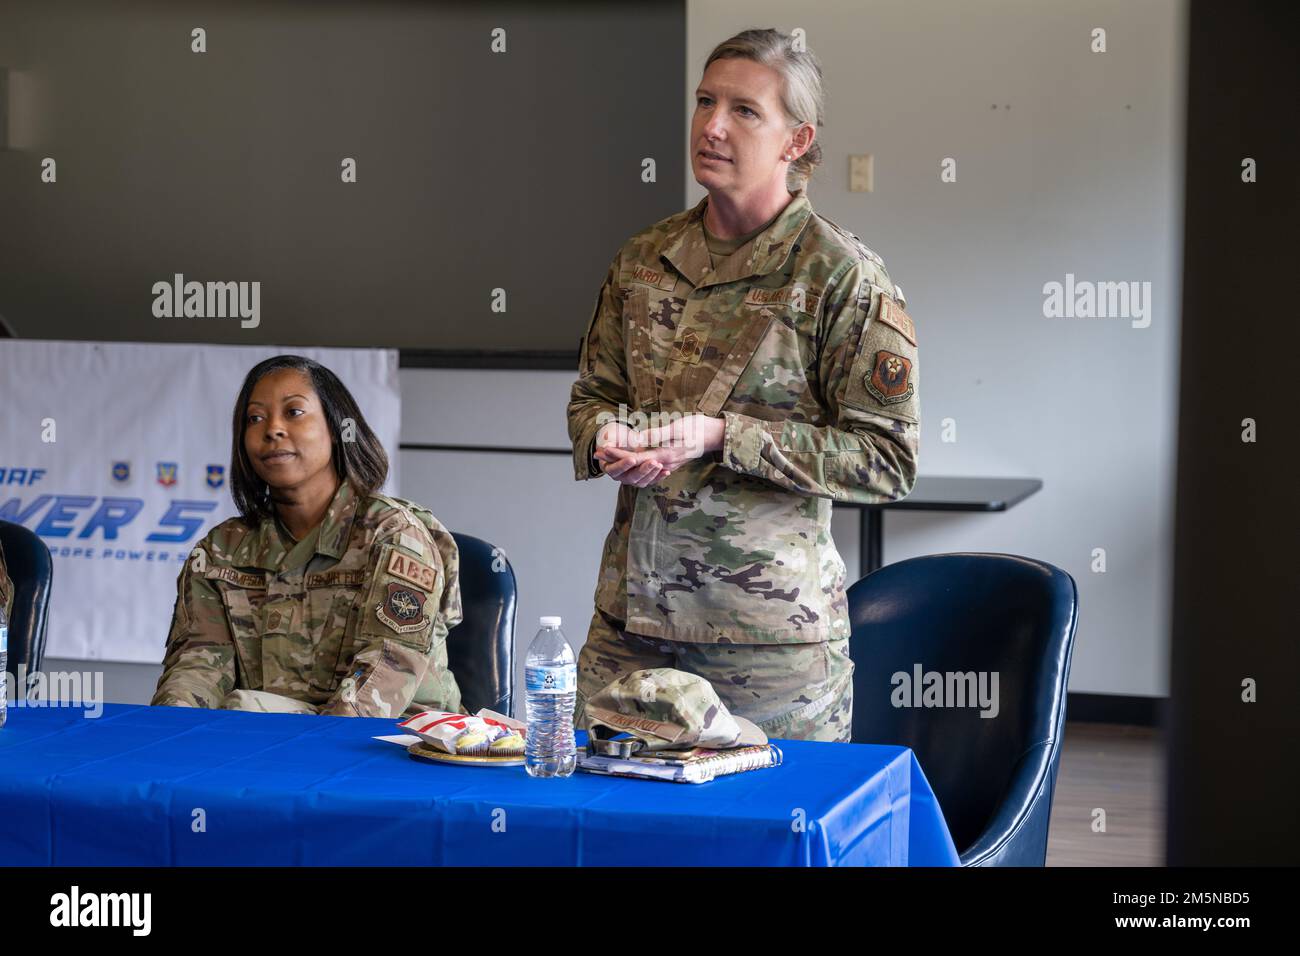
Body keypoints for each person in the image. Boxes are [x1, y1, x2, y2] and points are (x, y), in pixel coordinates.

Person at [566, 28, 920, 742]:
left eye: (744, 110)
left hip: (770, 650)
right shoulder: (643, 258)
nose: (712, 125)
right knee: (599, 836)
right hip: (630, 630)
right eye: (704, 102)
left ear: (797, 140)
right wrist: (604, 437)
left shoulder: (840, 275)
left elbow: (888, 459)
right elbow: (591, 396)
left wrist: (723, 437)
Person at [151, 355, 463, 718]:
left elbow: (385, 671)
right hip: (272, 739)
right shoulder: (220, 551)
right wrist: (169, 733)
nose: (273, 429)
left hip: (394, 745)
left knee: (244, 707)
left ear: (336, 428)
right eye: (255, 418)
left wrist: (308, 755)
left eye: (294, 412)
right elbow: (197, 666)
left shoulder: (393, 535)